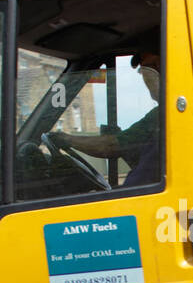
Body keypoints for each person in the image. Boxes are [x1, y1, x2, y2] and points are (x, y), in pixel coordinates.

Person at [51, 51, 162, 187]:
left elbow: (112, 146)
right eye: (143, 71)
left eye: (147, 69)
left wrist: (66, 140)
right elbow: (122, 143)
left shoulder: (163, 117)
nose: (144, 77)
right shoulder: (160, 114)